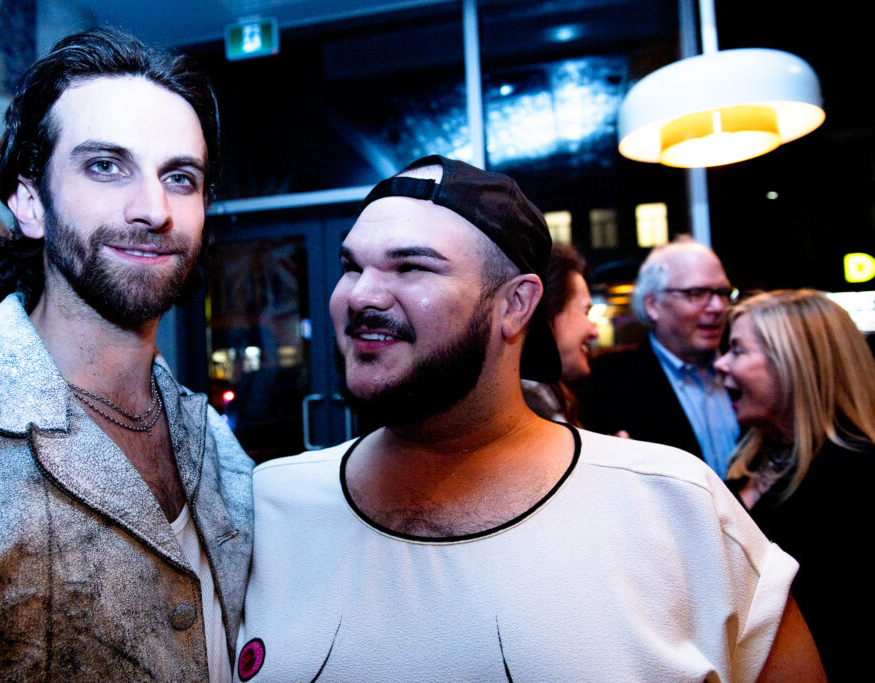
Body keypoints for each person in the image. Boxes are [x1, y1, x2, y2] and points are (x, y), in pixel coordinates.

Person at [233, 155, 823, 682]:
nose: (361, 296)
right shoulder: (267, 507)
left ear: (515, 304)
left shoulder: (676, 505)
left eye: (411, 267)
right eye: (351, 266)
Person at [0, 29, 253, 681]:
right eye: (106, 166)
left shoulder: (218, 447)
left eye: (180, 177)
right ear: (30, 201)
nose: (153, 210)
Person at [716, 289, 875, 680]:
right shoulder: (750, 460)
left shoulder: (856, 475)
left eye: (737, 350)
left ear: (791, 365)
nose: (720, 364)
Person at [580, 239, 740, 476]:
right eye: (696, 294)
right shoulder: (609, 385)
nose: (718, 307)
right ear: (653, 305)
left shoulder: (749, 370)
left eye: (723, 293)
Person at [521, 244, 598, 423]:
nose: (595, 332)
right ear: (550, 311)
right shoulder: (528, 412)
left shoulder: (541, 400)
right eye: (586, 311)